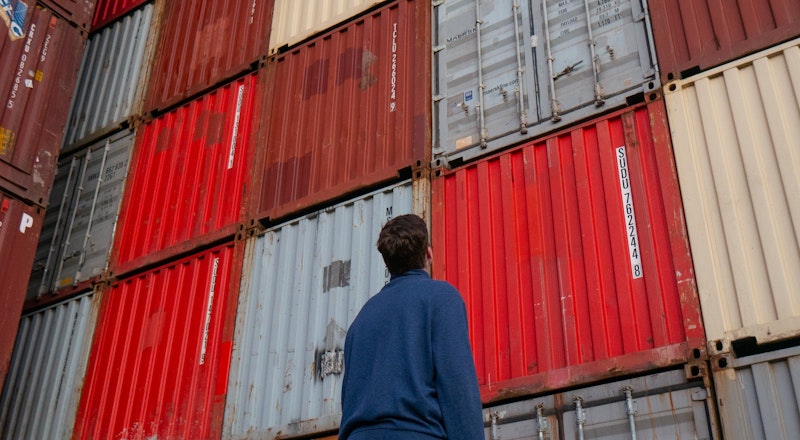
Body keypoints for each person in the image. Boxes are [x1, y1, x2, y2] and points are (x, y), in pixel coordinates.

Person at [339, 214, 485, 440]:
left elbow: (348, 404)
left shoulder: (360, 321)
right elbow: (459, 392)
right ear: (429, 254)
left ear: (388, 264)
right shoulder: (441, 298)